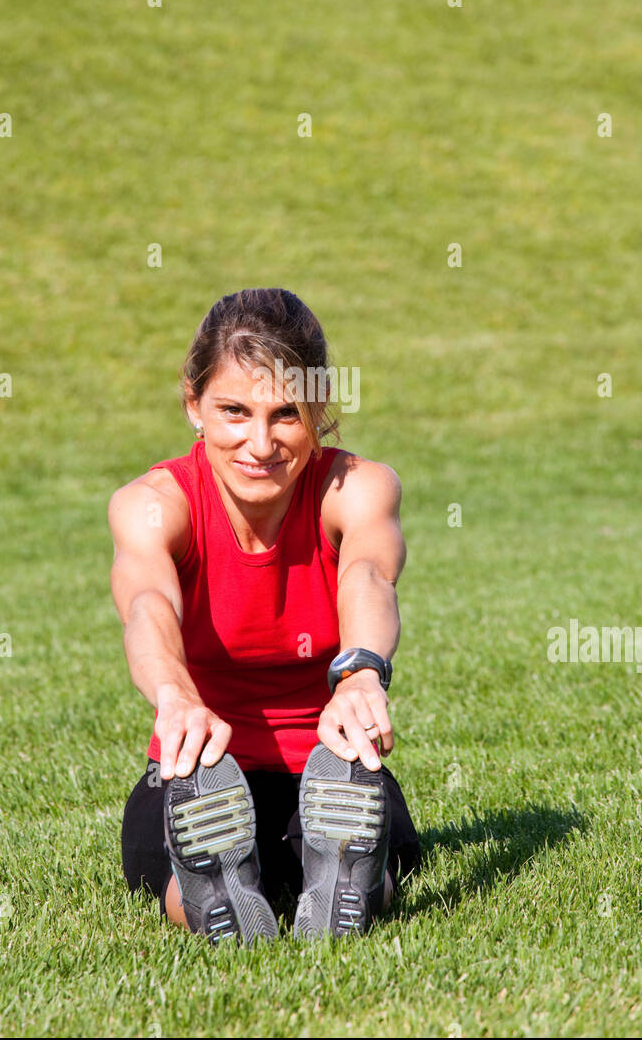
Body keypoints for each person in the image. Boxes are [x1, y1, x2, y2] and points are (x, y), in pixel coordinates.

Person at [109, 288, 421, 943]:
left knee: (377, 853)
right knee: (175, 864)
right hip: (201, 764)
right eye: (233, 411)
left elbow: (368, 573)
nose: (260, 443)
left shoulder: (356, 488)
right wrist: (174, 697)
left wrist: (362, 672)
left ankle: (344, 880)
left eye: (286, 414)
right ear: (192, 404)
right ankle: (217, 889)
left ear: (319, 410)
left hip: (329, 763)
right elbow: (147, 604)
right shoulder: (154, 504)